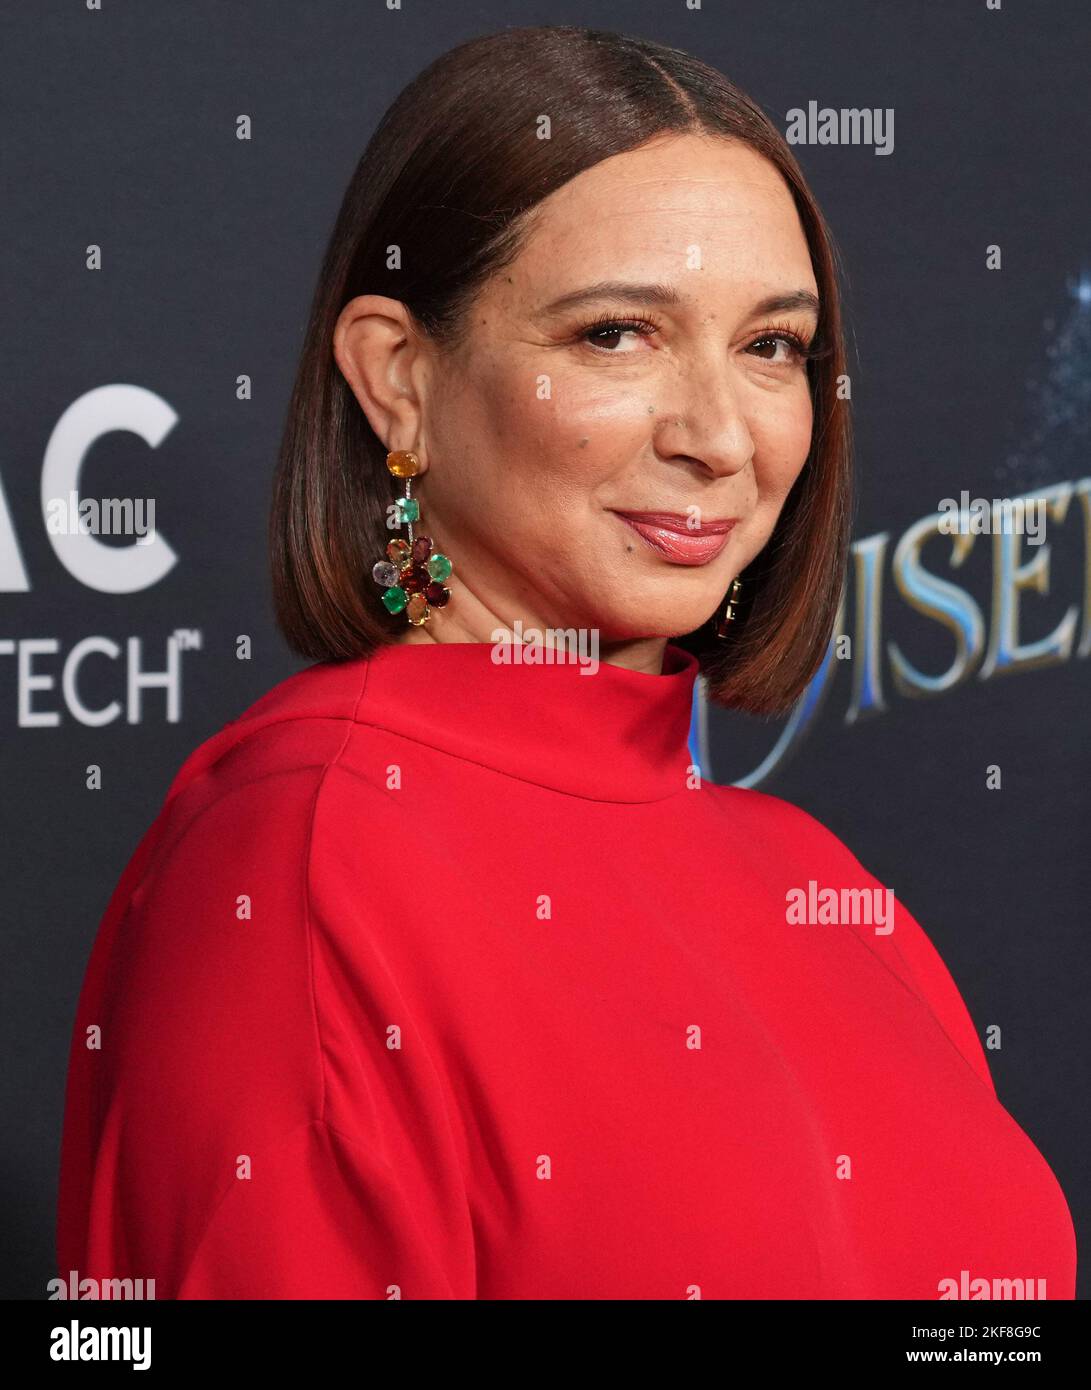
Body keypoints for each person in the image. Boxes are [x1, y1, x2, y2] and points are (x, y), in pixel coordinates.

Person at [56, 25, 1075, 1300]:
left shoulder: (820, 884)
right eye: (613, 335)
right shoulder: (307, 858)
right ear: (397, 378)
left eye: (770, 346)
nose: (718, 436)